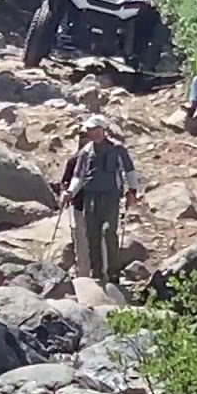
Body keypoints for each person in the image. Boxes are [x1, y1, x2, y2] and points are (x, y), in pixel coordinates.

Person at [61, 115, 141, 284]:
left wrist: (132, 190)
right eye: (90, 130)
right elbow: (78, 176)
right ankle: (96, 272)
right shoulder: (85, 152)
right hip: (90, 197)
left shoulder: (117, 149)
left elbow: (129, 170)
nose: (93, 133)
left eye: (96, 130)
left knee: (108, 231)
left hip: (111, 196)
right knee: (92, 234)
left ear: (103, 130)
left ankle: (114, 273)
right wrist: (70, 192)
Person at [59, 134, 91, 279]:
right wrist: (65, 193)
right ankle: (85, 275)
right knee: (82, 240)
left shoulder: (78, 160)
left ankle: (89, 273)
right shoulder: (73, 161)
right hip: (80, 206)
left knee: (84, 240)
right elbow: (65, 182)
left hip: (93, 206)